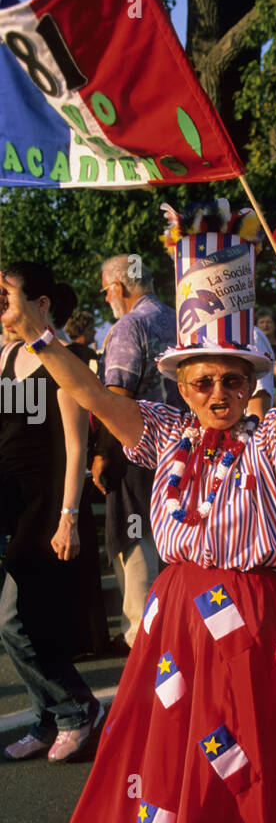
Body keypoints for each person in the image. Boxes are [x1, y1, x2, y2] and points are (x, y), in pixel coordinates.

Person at [8, 231, 276, 823]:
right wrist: (40, 333)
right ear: (182, 383)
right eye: (202, 382)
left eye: (231, 380)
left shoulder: (267, 446)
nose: (217, 394)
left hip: (254, 621)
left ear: (249, 382)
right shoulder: (163, 434)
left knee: (243, 768)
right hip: (175, 615)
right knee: (162, 765)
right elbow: (92, 394)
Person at [0, 262, 104, 761]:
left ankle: (76, 709)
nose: (1, 305)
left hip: (47, 506)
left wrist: (69, 516)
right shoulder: (4, 355)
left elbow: (76, 448)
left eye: (7, 295)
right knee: (18, 619)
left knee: (19, 620)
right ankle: (47, 718)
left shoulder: (64, 360)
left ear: (40, 305)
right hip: (11, 505)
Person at [93, 255, 179, 653]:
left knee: (136, 548)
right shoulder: (178, 318)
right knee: (172, 549)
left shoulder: (130, 326)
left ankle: (143, 645)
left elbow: (117, 399)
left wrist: (103, 454)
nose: (106, 297)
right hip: (182, 452)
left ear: (117, 287)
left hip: (137, 455)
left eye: (105, 289)